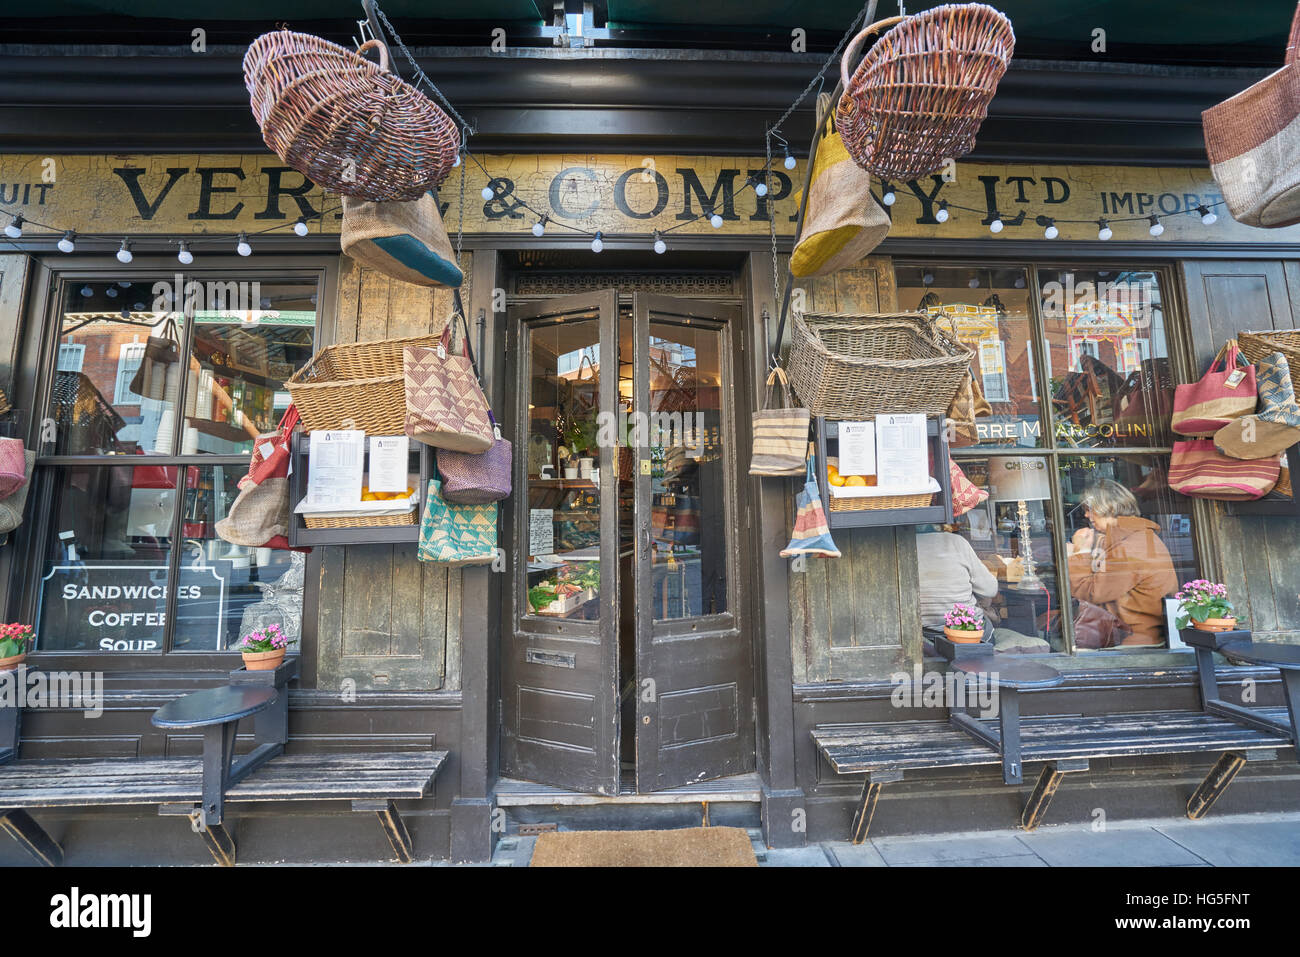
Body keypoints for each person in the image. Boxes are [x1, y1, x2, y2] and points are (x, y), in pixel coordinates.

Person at [1066, 479, 1177, 647]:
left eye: (1090, 509)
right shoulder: (1132, 537)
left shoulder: (1130, 545)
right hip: (1124, 632)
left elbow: (1091, 593)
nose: (1086, 515)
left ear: (1107, 507)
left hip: (1132, 641)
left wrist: (1079, 553)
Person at [916, 525, 1048, 653]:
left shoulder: (900, 545)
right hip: (971, 635)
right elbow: (990, 589)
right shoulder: (955, 542)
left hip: (924, 637)